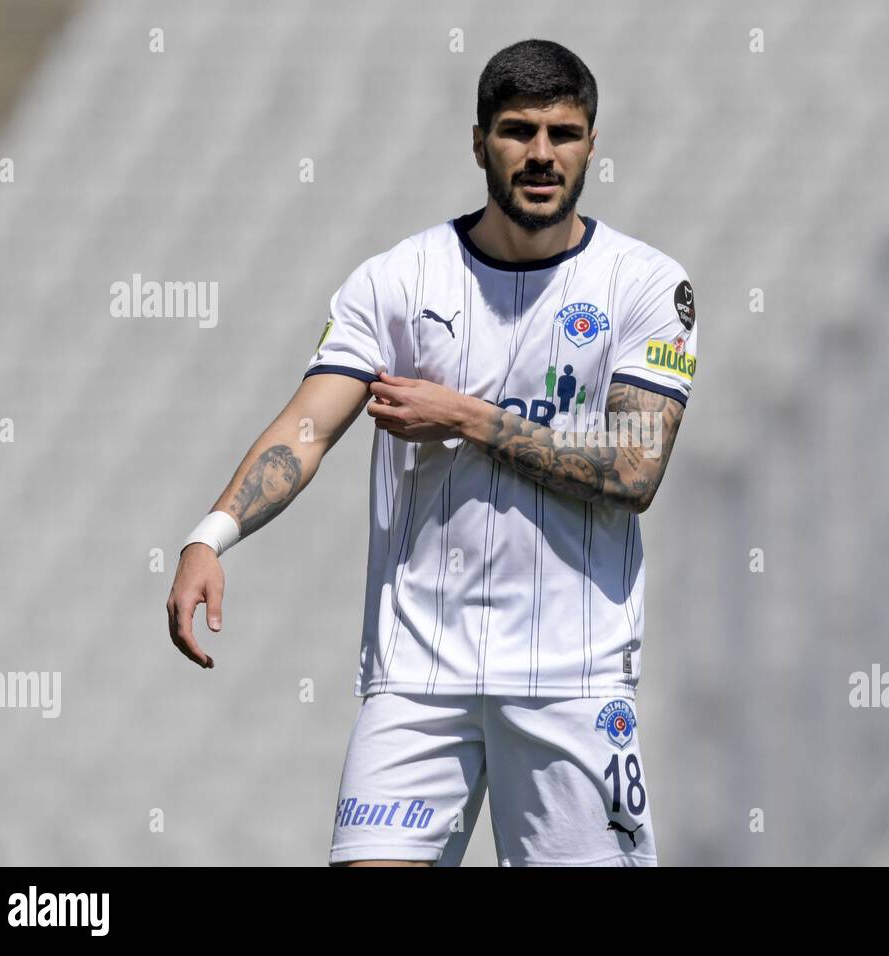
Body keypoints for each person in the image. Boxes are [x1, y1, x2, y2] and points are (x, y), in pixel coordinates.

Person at [166, 38, 698, 867]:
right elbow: (307, 428)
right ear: (479, 139)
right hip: (418, 673)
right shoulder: (398, 280)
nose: (540, 155)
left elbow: (634, 470)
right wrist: (213, 531)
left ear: (592, 143)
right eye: (518, 131)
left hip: (571, 676)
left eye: (563, 133)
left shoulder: (646, 286)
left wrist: (466, 416)